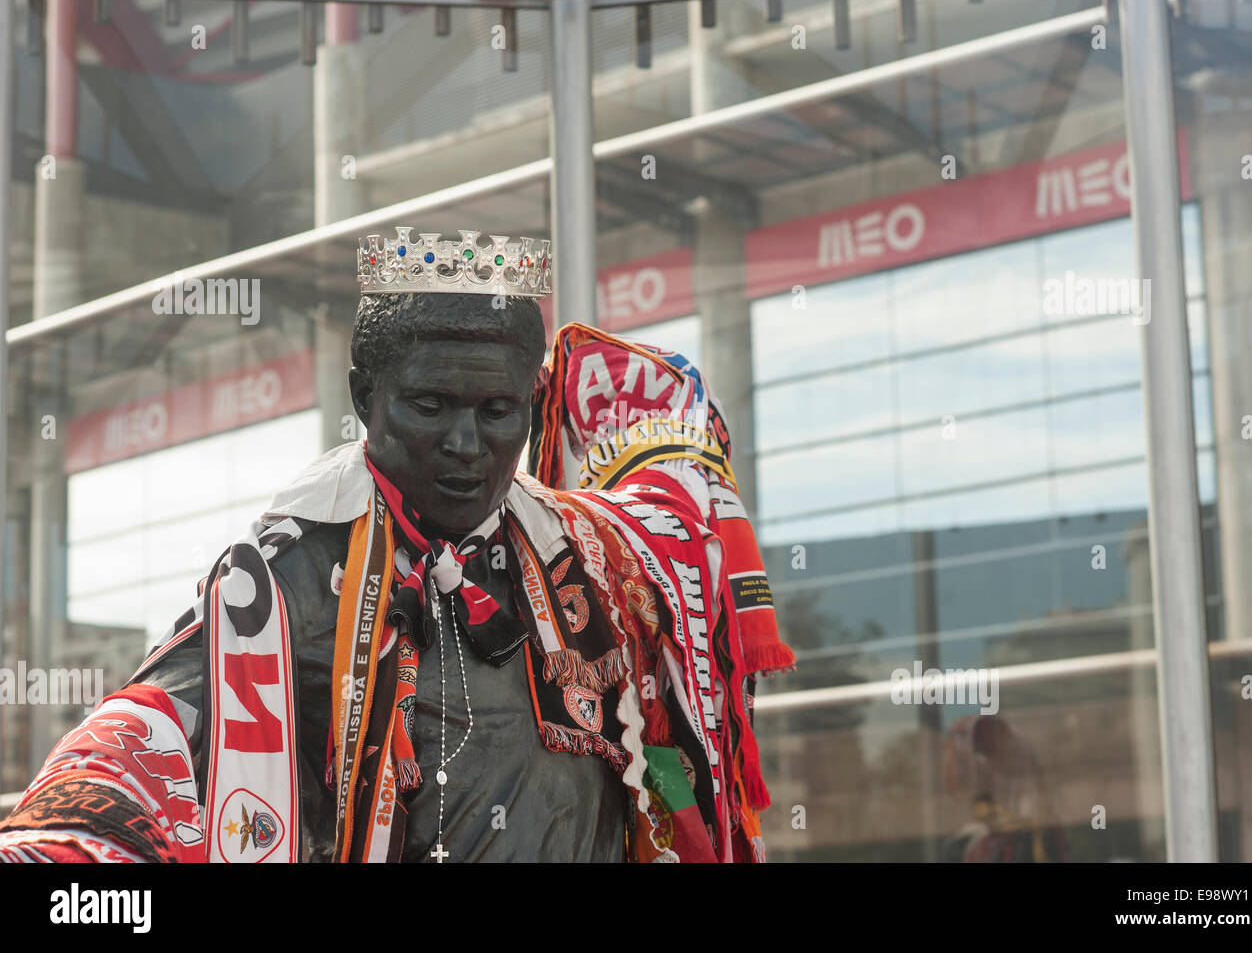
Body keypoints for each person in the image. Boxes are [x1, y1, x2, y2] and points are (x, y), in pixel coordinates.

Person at [0, 227, 795, 863]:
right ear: (363, 398)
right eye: (430, 404)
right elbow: (149, 728)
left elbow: (674, 523)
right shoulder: (296, 568)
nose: (466, 444)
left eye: (496, 410)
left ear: (531, 404)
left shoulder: (595, 556)